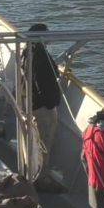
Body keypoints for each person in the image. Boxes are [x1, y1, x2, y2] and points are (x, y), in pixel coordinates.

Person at [27, 23, 66, 193]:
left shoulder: (27, 52)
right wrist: (50, 102)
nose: (50, 35)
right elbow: (40, 80)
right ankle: (41, 178)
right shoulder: (41, 56)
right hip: (42, 108)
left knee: (35, 141)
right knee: (44, 142)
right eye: (47, 33)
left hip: (32, 104)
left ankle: (34, 173)